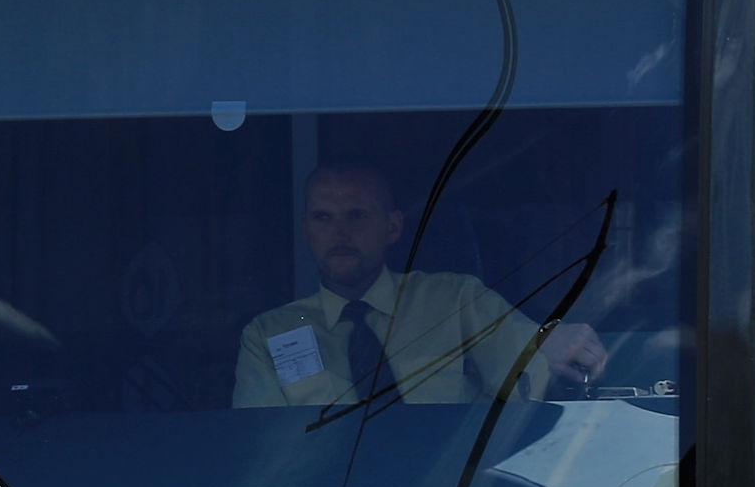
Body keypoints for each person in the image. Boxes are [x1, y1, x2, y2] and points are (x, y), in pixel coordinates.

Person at [233, 163, 607, 409]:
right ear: (306, 229)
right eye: (323, 218)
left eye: (356, 216)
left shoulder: (455, 299)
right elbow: (259, 446)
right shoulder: (269, 334)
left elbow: (526, 370)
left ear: (392, 227)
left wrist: (550, 343)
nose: (339, 232)